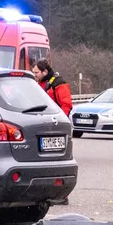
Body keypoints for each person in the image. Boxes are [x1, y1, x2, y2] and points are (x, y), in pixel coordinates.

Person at [33, 59, 73, 204]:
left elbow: (66, 105)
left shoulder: (58, 83)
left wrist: (59, 124)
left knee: (58, 160)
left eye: (36, 72)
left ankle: (61, 195)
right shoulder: (39, 84)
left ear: (44, 71)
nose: (34, 75)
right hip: (42, 125)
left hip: (56, 126)